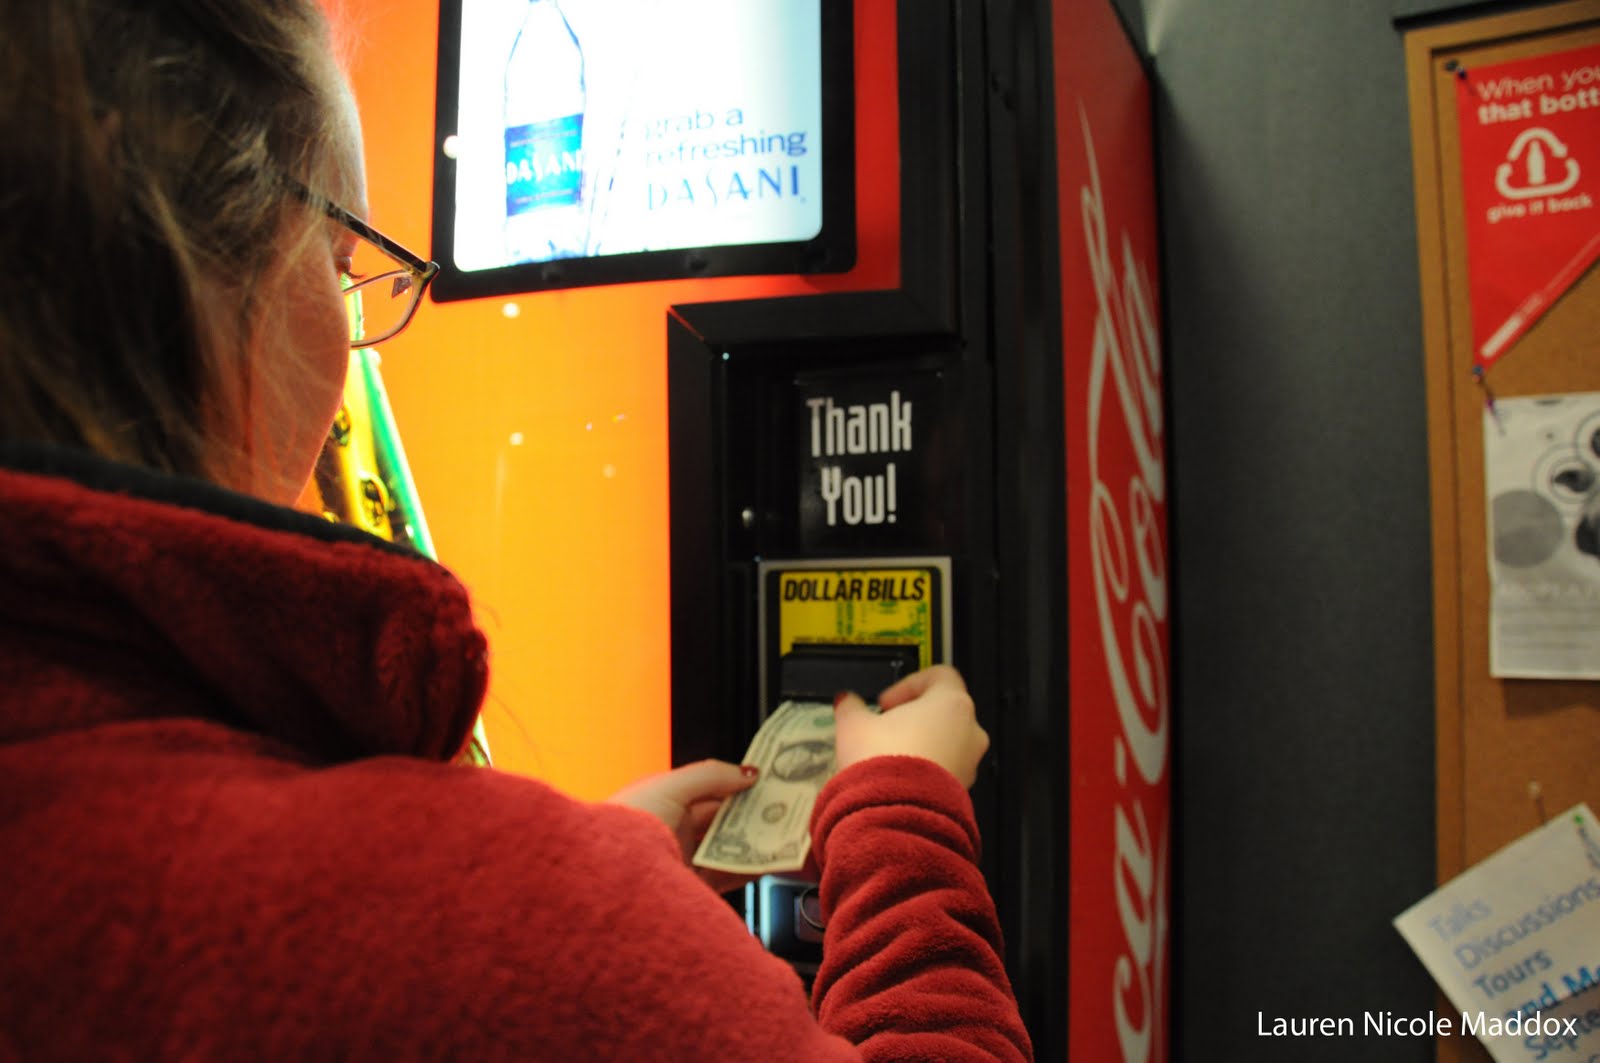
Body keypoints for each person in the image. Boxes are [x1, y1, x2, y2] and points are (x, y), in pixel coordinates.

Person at [0, 1, 1033, 1059]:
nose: (352, 326)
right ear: (216, 274)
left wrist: (591, 869)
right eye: (347, 259)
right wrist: (902, 814)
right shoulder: (494, 928)